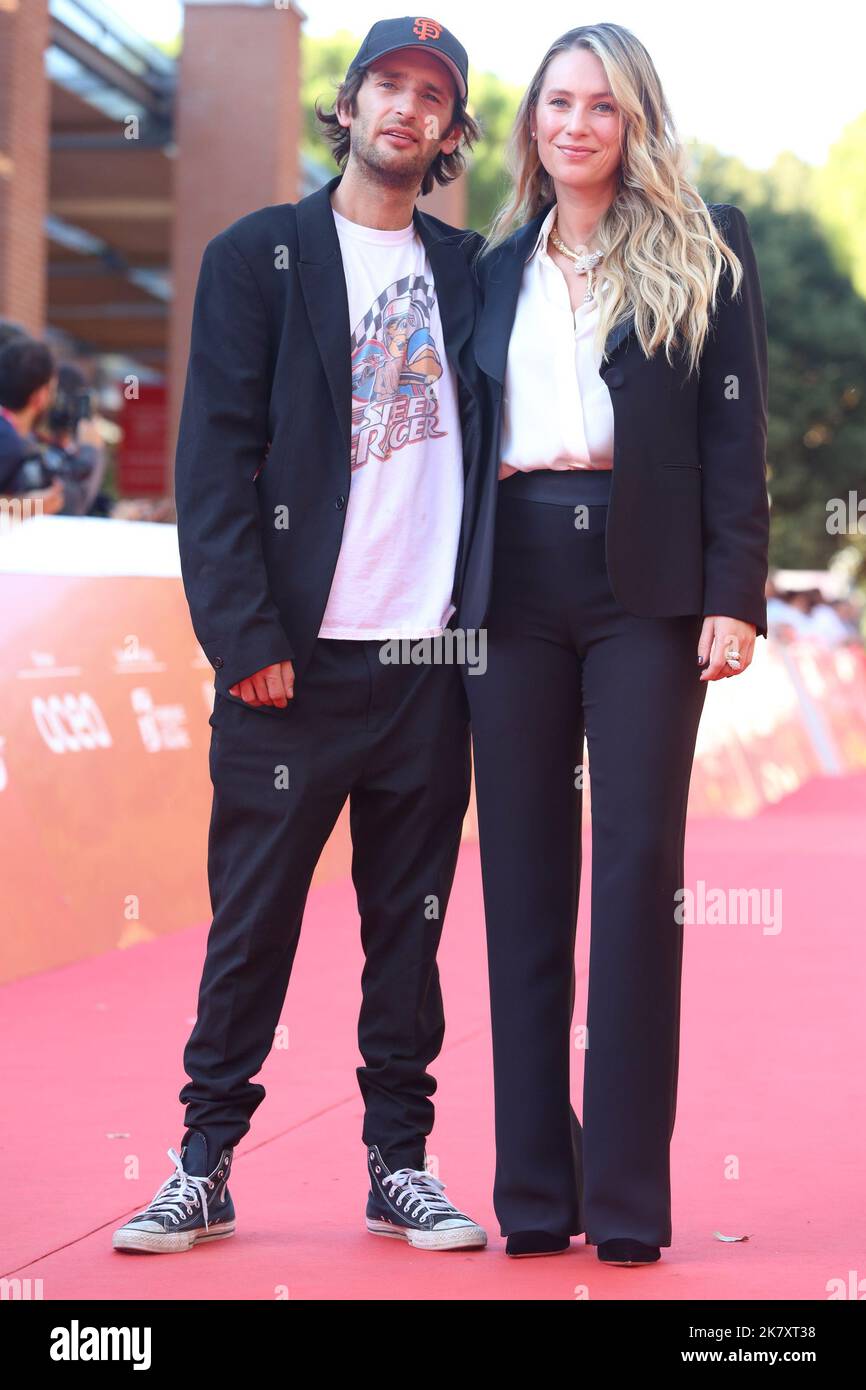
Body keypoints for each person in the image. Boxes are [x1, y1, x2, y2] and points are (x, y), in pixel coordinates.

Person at [113, 16, 490, 1255]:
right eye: (387, 83)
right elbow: (212, 462)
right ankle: (203, 1159)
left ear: (449, 129)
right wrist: (244, 635)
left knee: (411, 929)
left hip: (430, 665)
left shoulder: (473, 269)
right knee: (253, 922)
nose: (405, 109)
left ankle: (400, 1162)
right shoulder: (258, 254)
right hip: (292, 663)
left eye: (431, 95)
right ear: (348, 104)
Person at [459, 23, 770, 1264]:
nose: (574, 123)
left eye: (600, 105)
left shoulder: (709, 247)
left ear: (633, 120)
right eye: (555, 103)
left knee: (636, 873)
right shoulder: (484, 266)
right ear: (531, 121)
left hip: (644, 586)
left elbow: (738, 431)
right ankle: (534, 1195)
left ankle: (630, 1203)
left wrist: (732, 589)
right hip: (509, 585)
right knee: (520, 885)